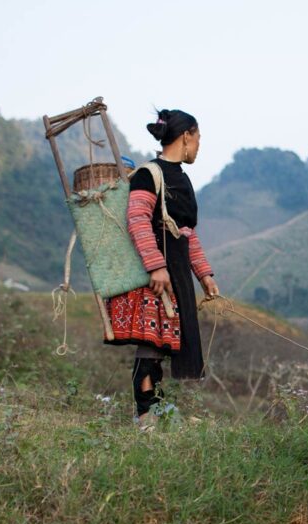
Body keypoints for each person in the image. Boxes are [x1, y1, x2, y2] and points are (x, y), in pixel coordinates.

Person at [105, 108, 220, 426]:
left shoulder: (182, 179)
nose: (198, 146)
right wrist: (156, 267)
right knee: (152, 341)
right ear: (187, 136)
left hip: (177, 272)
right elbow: (138, 219)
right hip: (155, 274)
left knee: (165, 340)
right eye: (198, 139)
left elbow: (186, 232)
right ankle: (146, 414)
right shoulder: (148, 173)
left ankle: (154, 411)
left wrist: (204, 274)